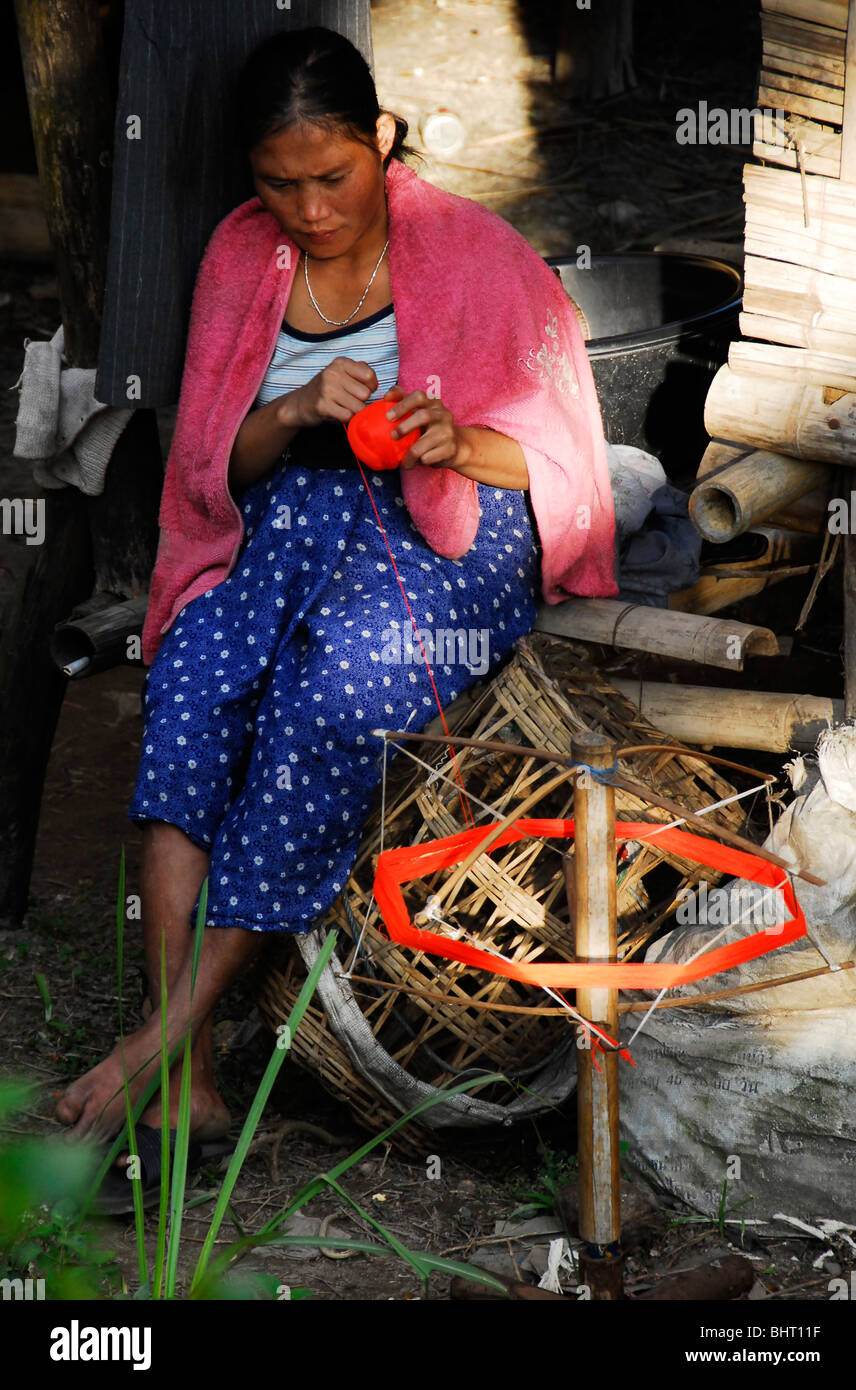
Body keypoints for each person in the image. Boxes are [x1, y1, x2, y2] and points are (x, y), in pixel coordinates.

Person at [56, 27, 616, 1183]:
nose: (309, 209)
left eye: (334, 177)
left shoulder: (476, 252)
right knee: (194, 680)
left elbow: (563, 459)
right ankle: (194, 1077)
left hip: (442, 531)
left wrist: (462, 434)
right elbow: (218, 464)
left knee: (327, 703)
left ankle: (150, 1048)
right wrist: (301, 408)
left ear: (384, 142)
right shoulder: (239, 259)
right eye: (279, 184)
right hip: (289, 526)